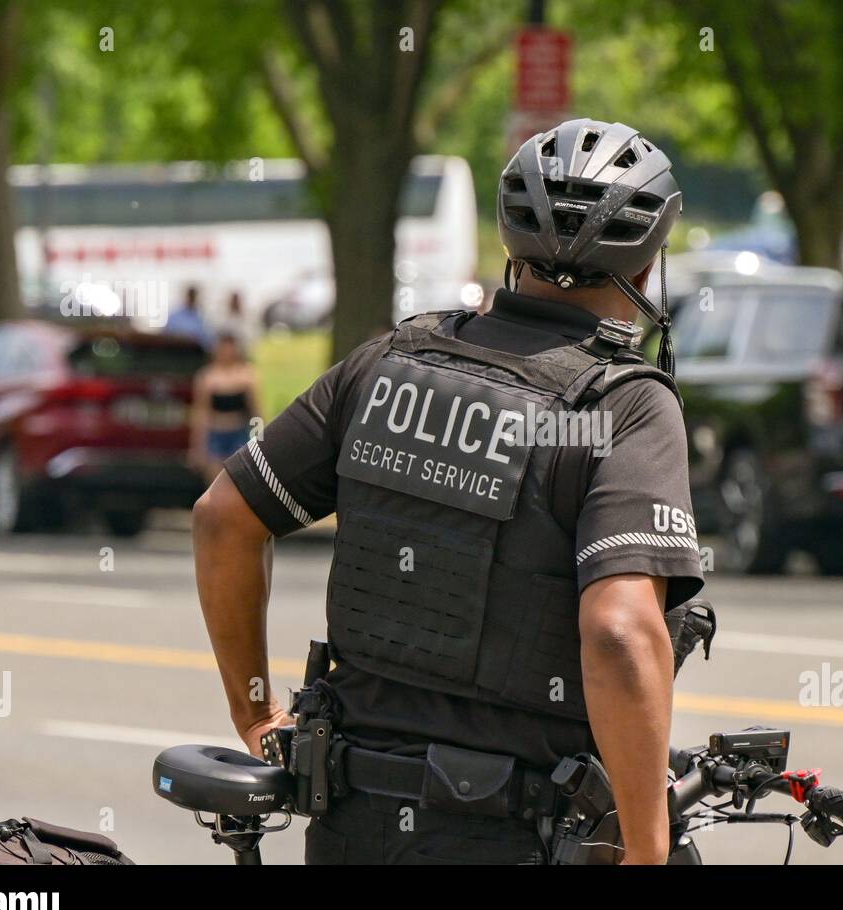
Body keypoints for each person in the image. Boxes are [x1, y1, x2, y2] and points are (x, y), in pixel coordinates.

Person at [192, 118, 701, 865]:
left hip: (349, 828)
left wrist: (256, 710)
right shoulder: (623, 406)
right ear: (649, 267)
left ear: (508, 243)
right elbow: (621, 632)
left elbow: (222, 520)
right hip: (511, 834)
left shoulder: (386, 364)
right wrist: (649, 854)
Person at [188, 331, 261, 485]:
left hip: (239, 434)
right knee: (214, 484)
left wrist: (259, 440)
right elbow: (201, 413)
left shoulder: (247, 374)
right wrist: (197, 447)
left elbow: (256, 411)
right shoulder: (207, 377)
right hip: (216, 435)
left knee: (239, 484)